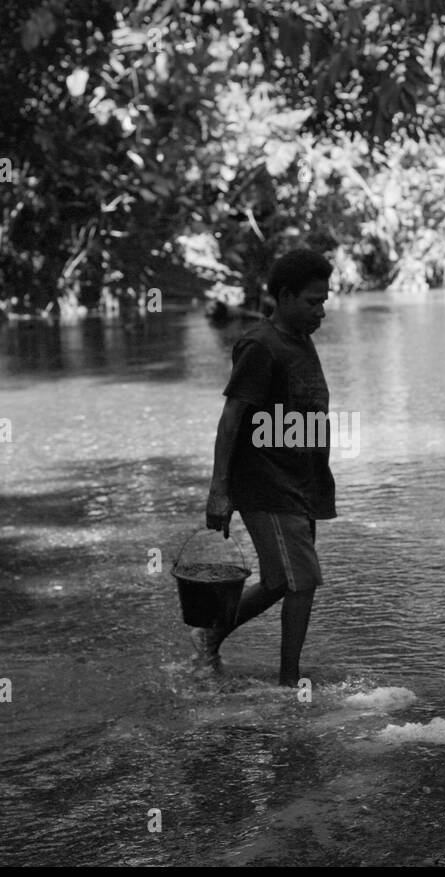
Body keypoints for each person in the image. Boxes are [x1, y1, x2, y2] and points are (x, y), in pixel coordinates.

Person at [196, 249, 336, 686]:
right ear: (286, 296)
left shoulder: (299, 340)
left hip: (301, 485)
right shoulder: (261, 345)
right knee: (304, 580)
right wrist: (220, 490)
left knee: (279, 581)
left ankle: (209, 638)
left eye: (324, 300)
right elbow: (231, 419)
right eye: (313, 301)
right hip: (268, 486)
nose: (321, 310)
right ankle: (290, 683)